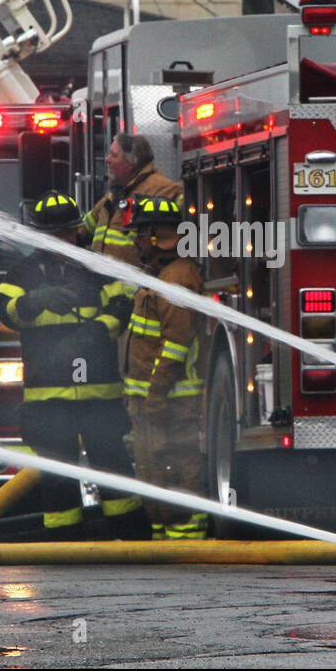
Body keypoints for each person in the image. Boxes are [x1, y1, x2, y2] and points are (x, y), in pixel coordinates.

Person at [0, 191, 149, 540]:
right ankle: (65, 546)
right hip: (48, 398)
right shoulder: (23, 273)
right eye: (51, 235)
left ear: (77, 230)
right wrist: (34, 300)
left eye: (65, 232)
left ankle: (131, 541)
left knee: (113, 468)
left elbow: (122, 305)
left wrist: (96, 331)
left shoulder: (95, 269)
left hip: (99, 393)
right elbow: (4, 308)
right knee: (57, 476)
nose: (59, 240)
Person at [122, 195, 207, 539]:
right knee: (154, 466)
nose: (136, 241)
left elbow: (174, 346)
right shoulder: (161, 276)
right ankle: (162, 536)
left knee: (177, 464)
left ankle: (185, 536)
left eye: (140, 234)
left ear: (156, 235)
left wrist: (155, 394)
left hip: (171, 400)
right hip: (152, 400)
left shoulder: (176, 280)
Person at [83, 134, 182, 269]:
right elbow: (84, 229)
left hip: (136, 286)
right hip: (103, 285)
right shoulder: (114, 196)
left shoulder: (164, 190)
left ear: (131, 163)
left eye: (113, 155)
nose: (107, 160)